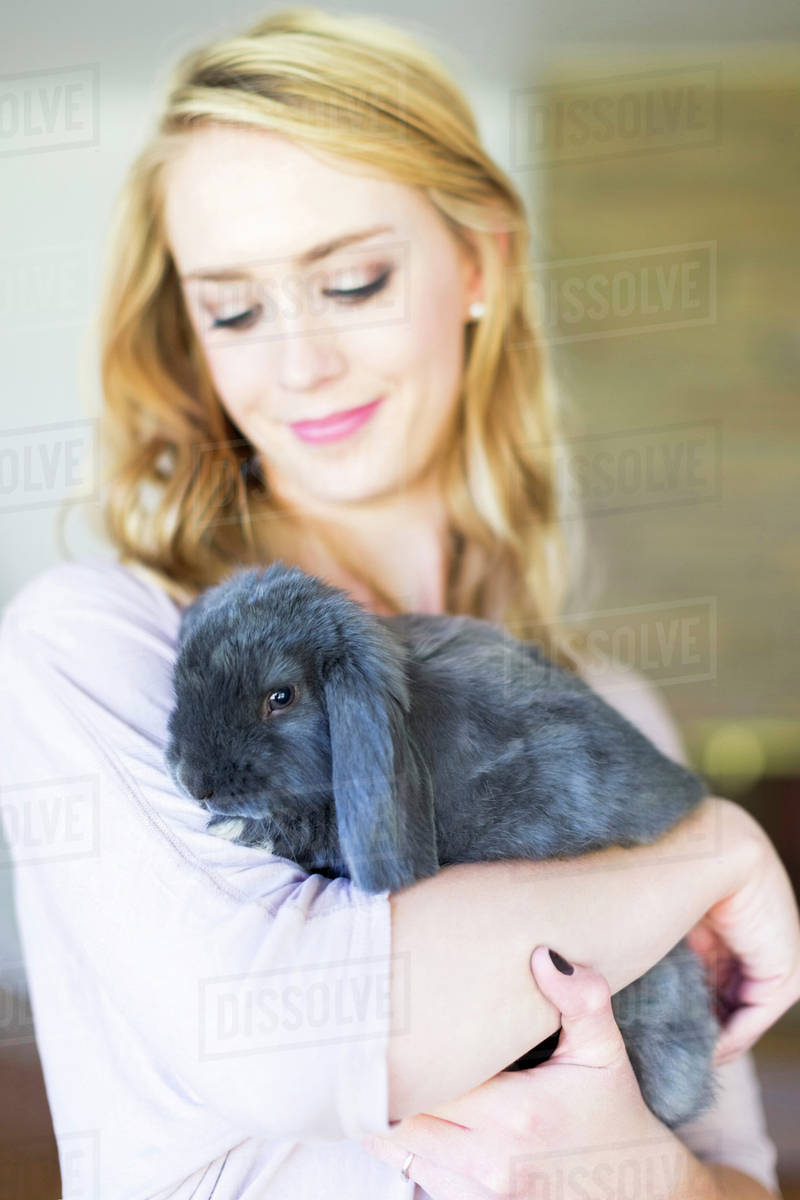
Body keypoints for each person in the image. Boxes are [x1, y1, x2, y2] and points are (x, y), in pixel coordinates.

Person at [0, 8, 797, 1199]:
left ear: (480, 260)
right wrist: (714, 851)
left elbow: (734, 1170)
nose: (298, 364)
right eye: (233, 308)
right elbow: (280, 1036)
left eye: (352, 280)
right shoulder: (99, 647)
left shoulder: (607, 701)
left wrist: (641, 1174)